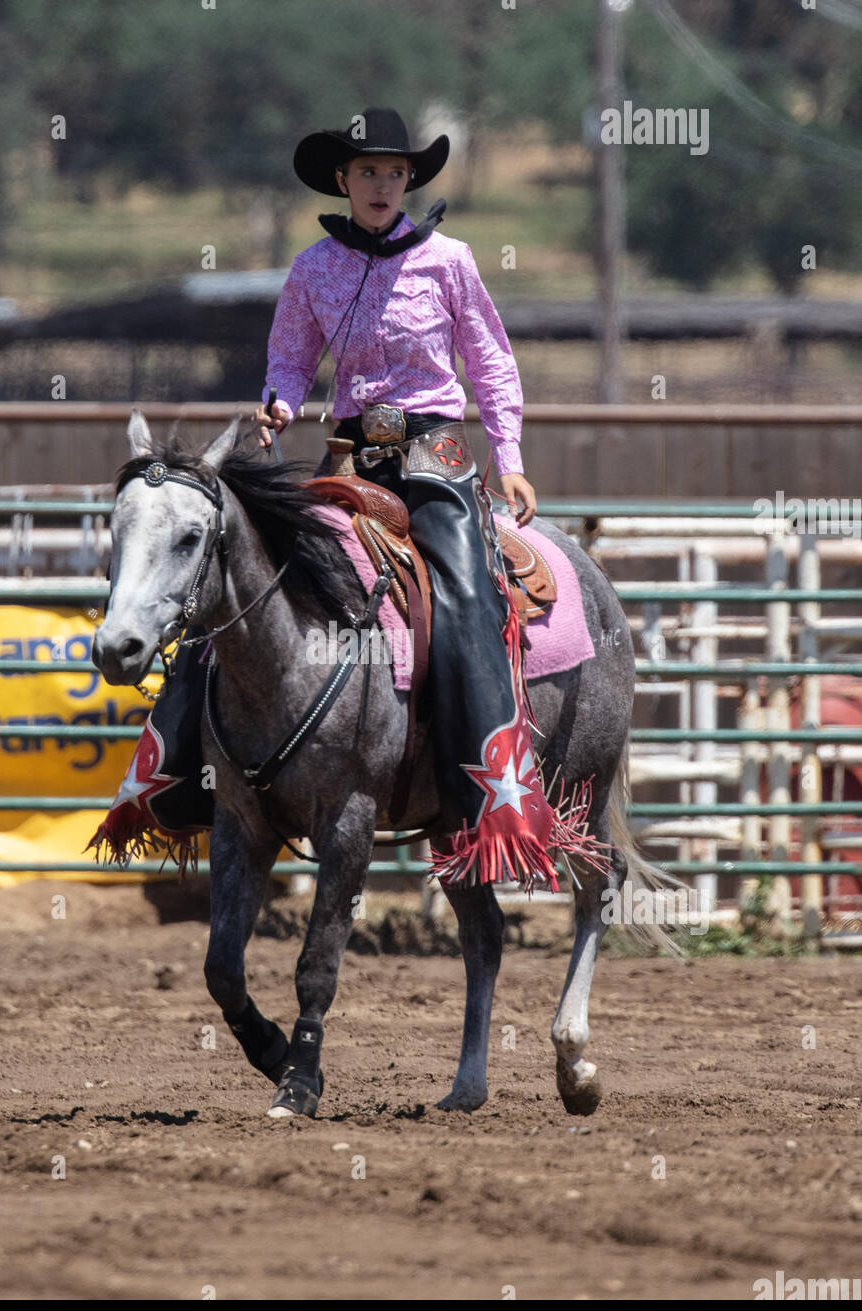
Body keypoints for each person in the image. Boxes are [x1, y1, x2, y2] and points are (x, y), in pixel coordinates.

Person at [253, 107, 560, 889]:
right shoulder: (311, 268)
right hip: (350, 454)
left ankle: (493, 788)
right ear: (342, 180)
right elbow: (290, 361)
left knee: (463, 596)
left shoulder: (449, 260)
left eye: (396, 173)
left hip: (435, 449)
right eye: (368, 172)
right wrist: (279, 406)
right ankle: (192, 771)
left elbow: (489, 360)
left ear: (410, 181)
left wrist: (511, 456)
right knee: (256, 572)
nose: (383, 184)